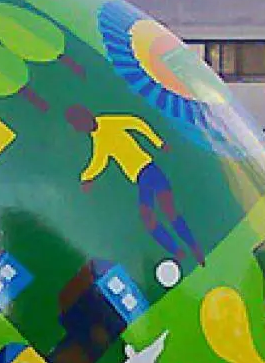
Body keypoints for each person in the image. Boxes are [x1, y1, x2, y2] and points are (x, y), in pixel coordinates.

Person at [65, 104, 205, 265]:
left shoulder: (109, 123)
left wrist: (158, 143)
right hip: (140, 178)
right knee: (149, 218)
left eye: (78, 124)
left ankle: (193, 247)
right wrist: (86, 177)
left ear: (85, 117)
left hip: (149, 169)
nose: (79, 129)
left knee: (168, 210)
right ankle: (177, 251)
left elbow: (136, 122)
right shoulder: (98, 139)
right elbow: (99, 161)